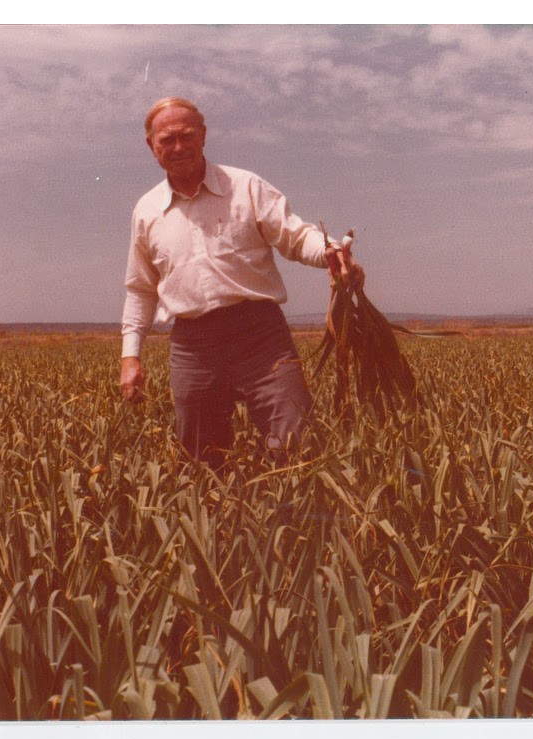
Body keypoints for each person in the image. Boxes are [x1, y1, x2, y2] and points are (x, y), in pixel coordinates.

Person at [120, 96, 363, 468]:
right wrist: (130, 356)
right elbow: (140, 288)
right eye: (166, 140)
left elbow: (295, 236)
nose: (178, 147)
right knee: (201, 460)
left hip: (261, 338)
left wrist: (331, 254)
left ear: (203, 136)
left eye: (186, 136)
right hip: (192, 346)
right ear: (151, 146)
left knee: (296, 446)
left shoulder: (246, 187)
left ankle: (293, 521)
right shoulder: (146, 211)